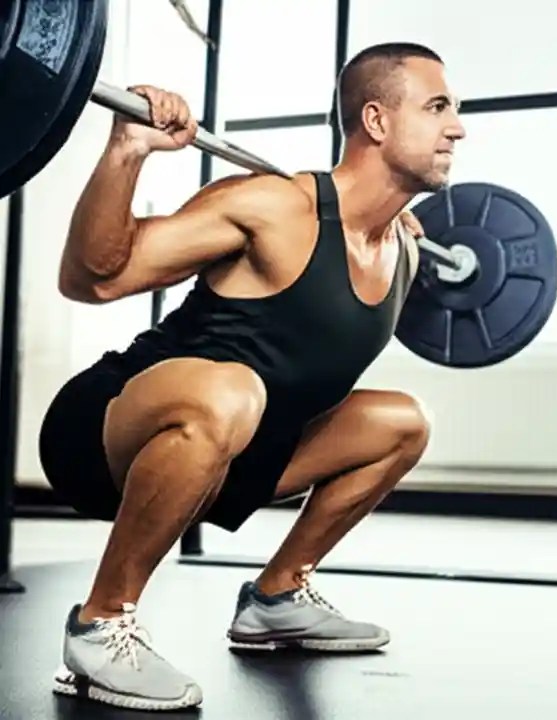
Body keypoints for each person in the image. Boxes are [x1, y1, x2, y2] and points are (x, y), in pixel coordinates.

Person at [39, 42, 466, 711]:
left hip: (235, 450)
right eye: (438, 107)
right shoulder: (273, 208)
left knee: (401, 421)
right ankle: (100, 622)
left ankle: (276, 597)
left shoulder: (402, 247)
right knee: (232, 387)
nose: (458, 128)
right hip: (107, 430)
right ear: (377, 121)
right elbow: (91, 279)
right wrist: (129, 149)